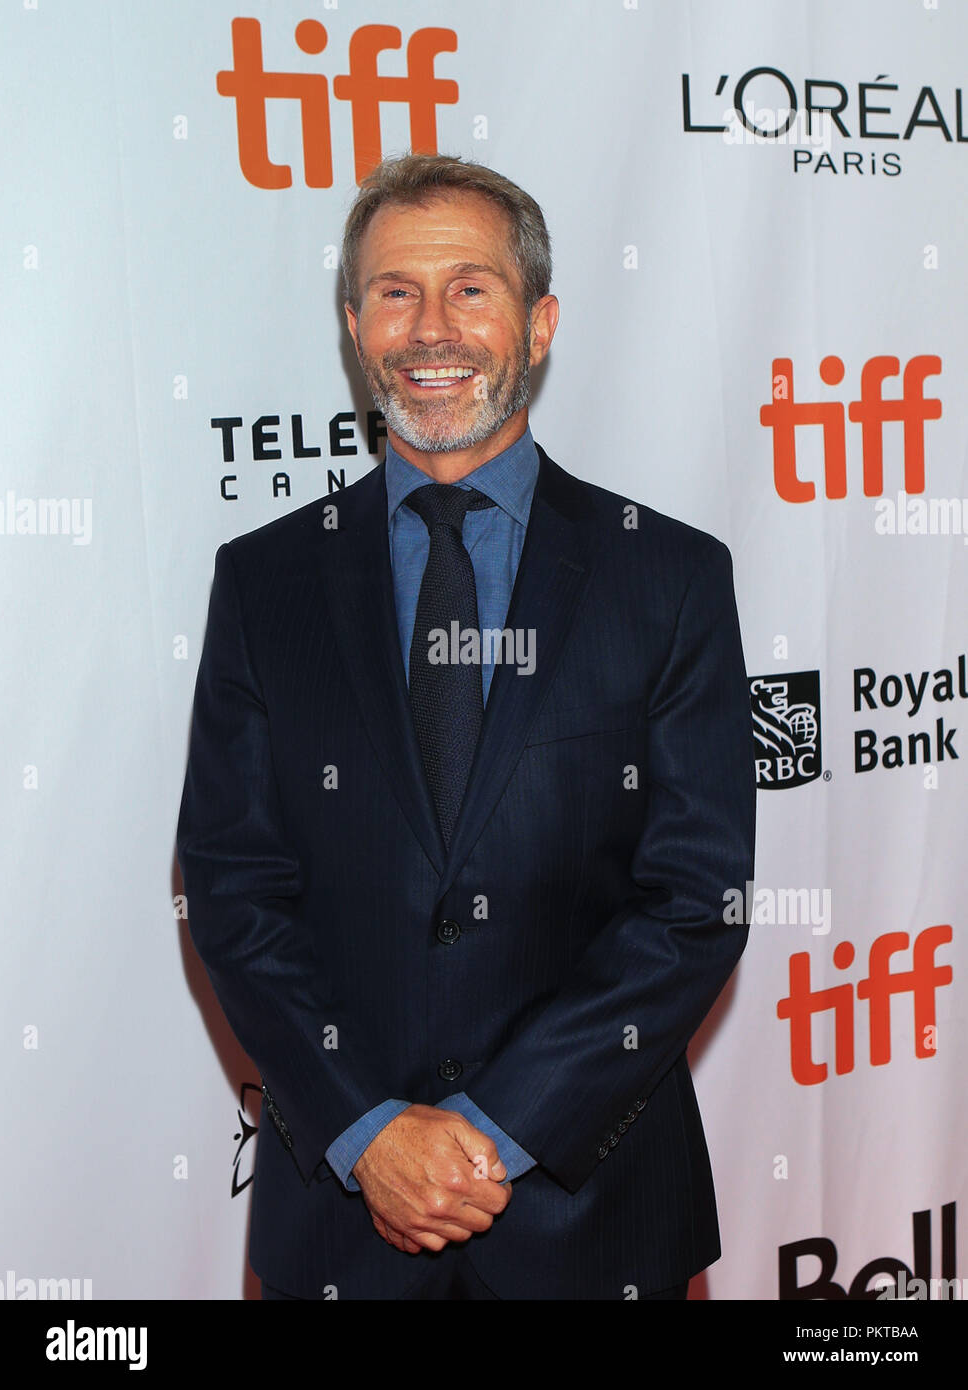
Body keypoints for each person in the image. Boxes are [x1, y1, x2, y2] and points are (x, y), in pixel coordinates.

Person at [176, 152, 756, 1301]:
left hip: (594, 1218)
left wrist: (493, 1129)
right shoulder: (263, 581)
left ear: (539, 324)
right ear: (354, 325)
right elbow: (233, 891)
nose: (430, 327)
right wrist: (370, 1132)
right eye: (395, 291)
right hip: (344, 1219)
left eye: (470, 289)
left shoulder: (670, 575)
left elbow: (695, 902)